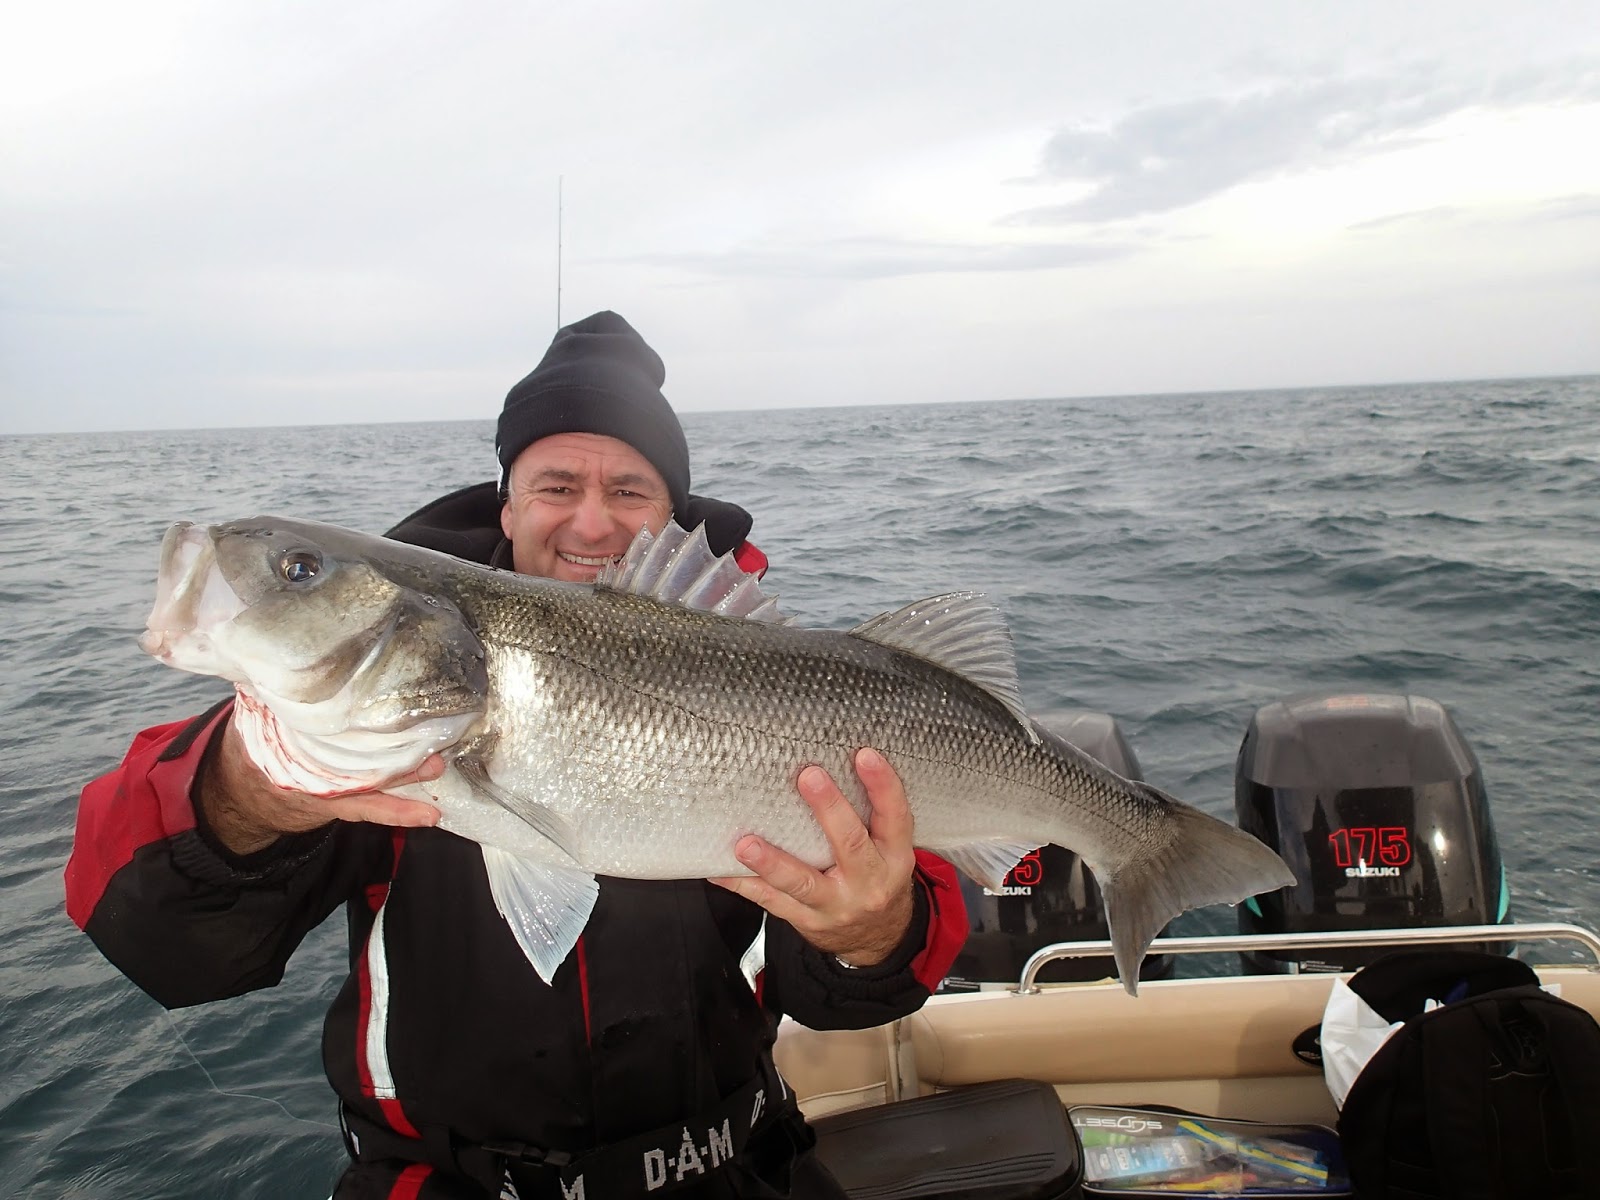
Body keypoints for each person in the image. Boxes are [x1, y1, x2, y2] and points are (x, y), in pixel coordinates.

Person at [65, 311, 968, 1200]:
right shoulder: (357, 708)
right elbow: (164, 949)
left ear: (671, 516)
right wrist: (251, 794)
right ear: (508, 504)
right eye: (556, 484)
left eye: (629, 491)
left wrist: (870, 935)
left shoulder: (789, 687)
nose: (591, 523)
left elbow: (856, 994)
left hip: (738, 1167)